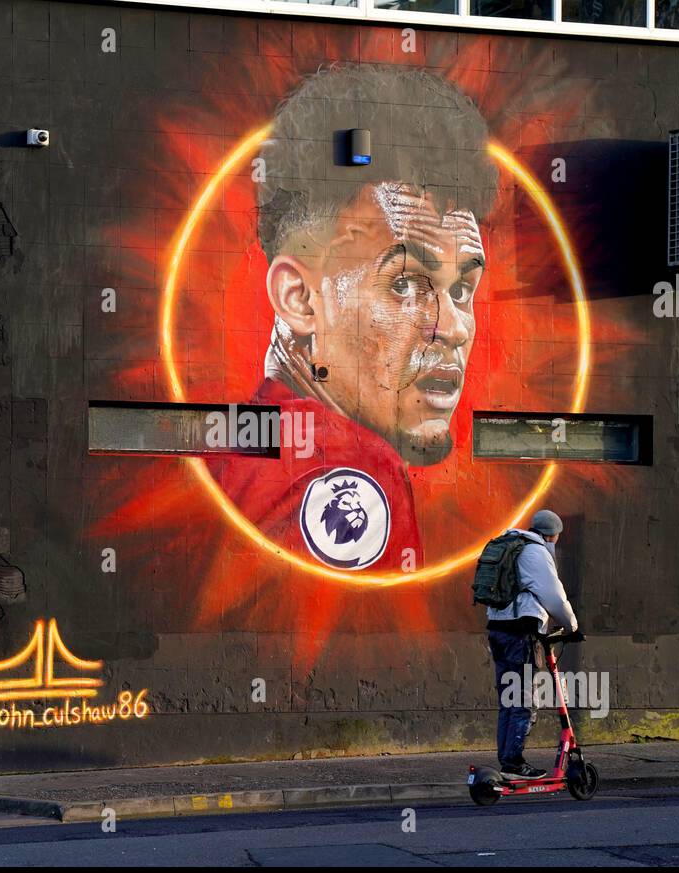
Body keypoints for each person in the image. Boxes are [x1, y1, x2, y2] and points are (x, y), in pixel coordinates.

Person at [209, 63, 499, 572]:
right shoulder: (359, 471)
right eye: (404, 284)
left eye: (461, 289)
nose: (452, 327)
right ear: (299, 299)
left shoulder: (239, 454)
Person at [485, 509, 580, 779]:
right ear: (553, 535)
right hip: (521, 634)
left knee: (508, 698)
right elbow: (554, 596)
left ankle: (507, 761)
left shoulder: (508, 544)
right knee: (524, 701)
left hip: (497, 630)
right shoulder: (536, 552)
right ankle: (514, 763)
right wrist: (572, 626)